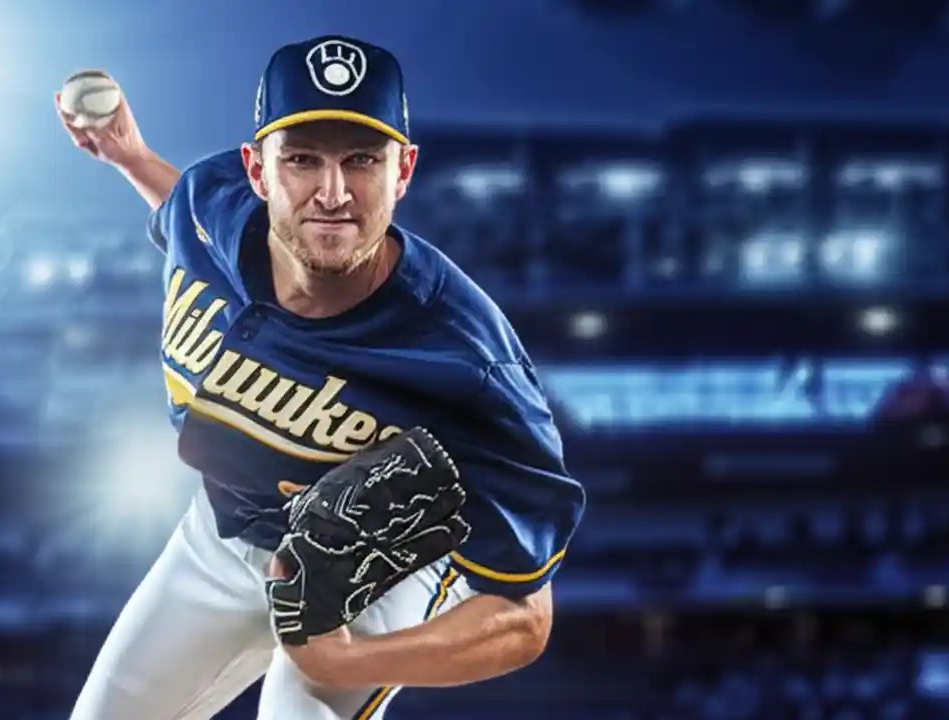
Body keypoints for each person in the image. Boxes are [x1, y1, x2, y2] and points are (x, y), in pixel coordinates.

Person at [55, 34, 587, 720]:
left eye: (362, 159)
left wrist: (350, 661)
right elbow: (180, 206)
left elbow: (525, 616)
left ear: (404, 171)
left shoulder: (467, 359)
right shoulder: (207, 207)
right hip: (222, 530)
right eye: (301, 160)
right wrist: (129, 157)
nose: (331, 193)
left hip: (373, 571)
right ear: (255, 171)